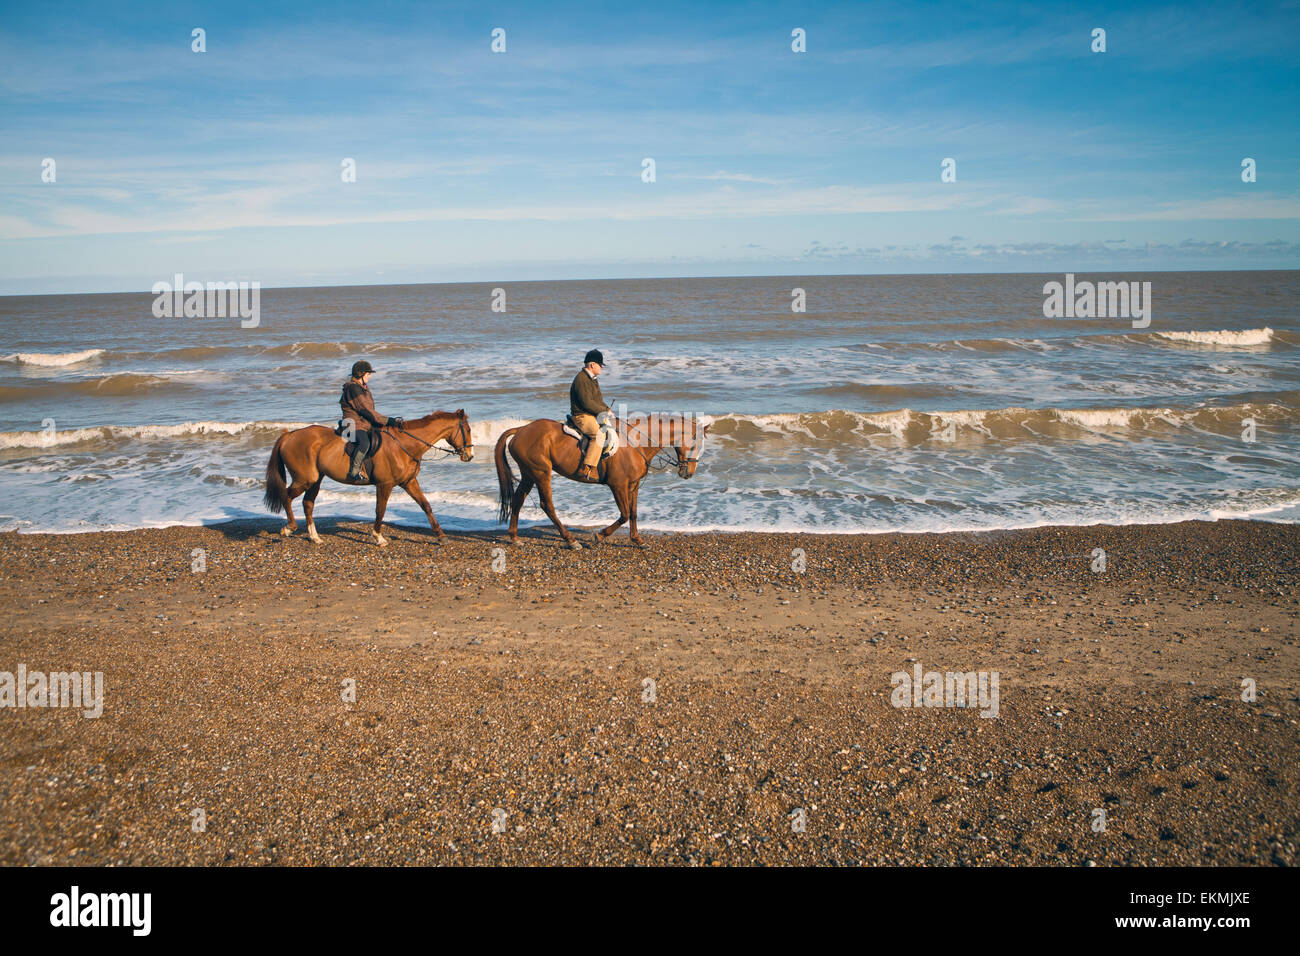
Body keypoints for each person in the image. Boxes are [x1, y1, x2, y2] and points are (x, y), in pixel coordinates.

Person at [339, 360, 402, 481]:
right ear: (360, 374)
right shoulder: (354, 389)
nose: (370, 376)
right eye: (368, 374)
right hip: (352, 425)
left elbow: (369, 412)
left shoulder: (362, 388)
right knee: (365, 443)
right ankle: (354, 471)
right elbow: (366, 411)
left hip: (363, 423)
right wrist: (389, 421)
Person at [569, 349, 611, 481]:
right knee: (599, 434)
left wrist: (608, 410)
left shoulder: (593, 379)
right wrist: (603, 411)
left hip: (591, 414)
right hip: (582, 416)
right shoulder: (581, 379)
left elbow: (597, 400)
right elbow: (587, 403)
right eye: (600, 365)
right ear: (592, 365)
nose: (602, 368)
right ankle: (587, 468)